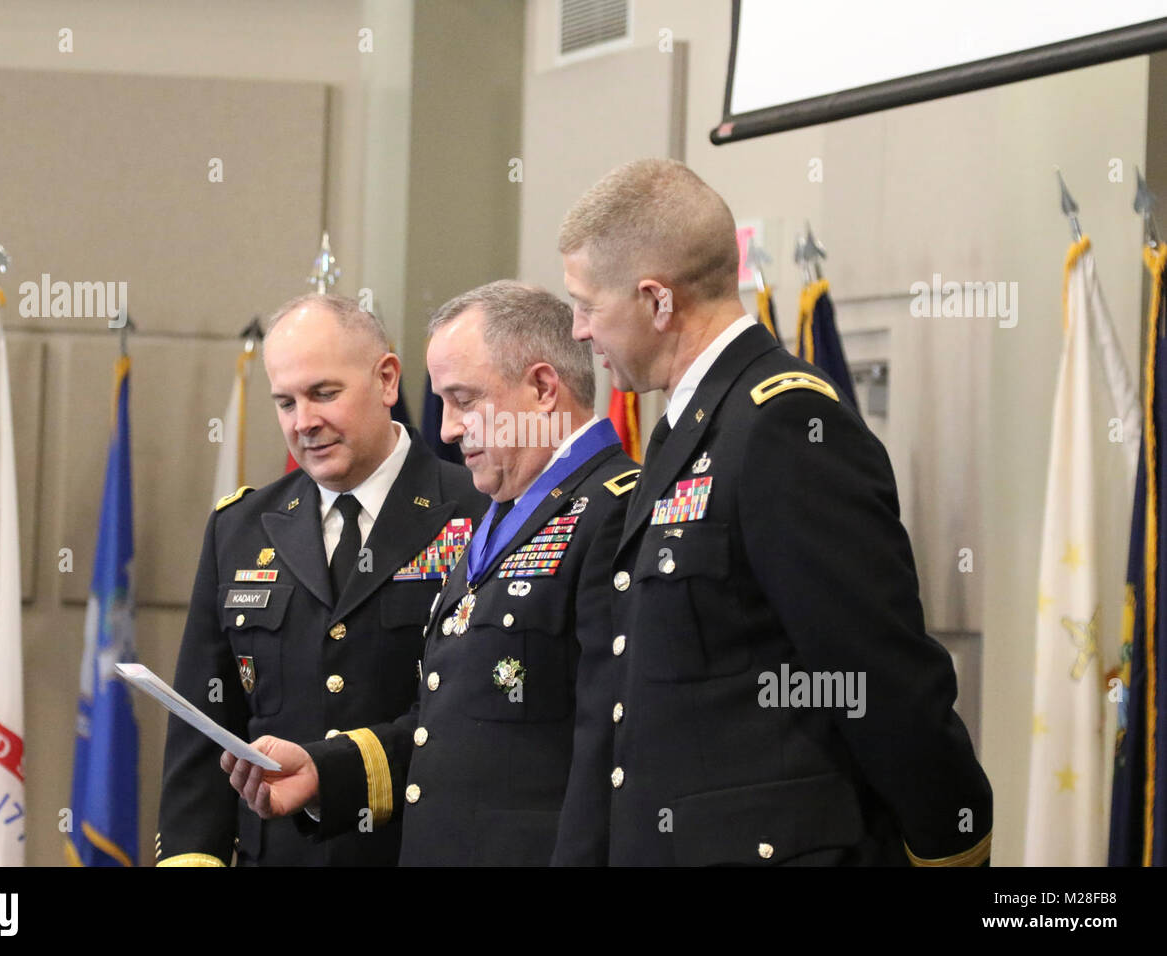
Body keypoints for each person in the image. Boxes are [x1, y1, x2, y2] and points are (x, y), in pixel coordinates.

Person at [558, 158, 993, 866]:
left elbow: (874, 671)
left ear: (656, 301)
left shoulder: (782, 425)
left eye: (586, 304)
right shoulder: (688, 429)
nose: (578, 330)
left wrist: (954, 840)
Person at [220, 281, 638, 865]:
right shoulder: (510, 517)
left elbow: (615, 752)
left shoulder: (614, 513)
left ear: (543, 388)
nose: (445, 428)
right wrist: (326, 771)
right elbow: (450, 726)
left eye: (464, 400)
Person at [156, 293, 487, 866]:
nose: (303, 421)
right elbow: (204, 728)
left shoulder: (479, 511)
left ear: (387, 381)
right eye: (285, 403)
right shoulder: (239, 528)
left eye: (323, 394)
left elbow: (477, 717)